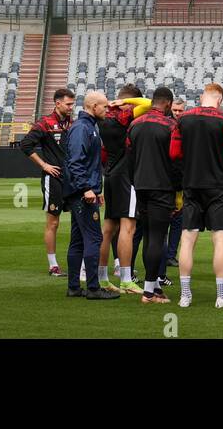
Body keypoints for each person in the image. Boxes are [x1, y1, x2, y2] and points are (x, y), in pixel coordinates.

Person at [173, 82, 223, 308]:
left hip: (191, 184)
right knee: (220, 241)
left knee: (187, 241)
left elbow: (174, 153)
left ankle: (185, 295)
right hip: (217, 185)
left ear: (203, 96)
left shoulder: (183, 119)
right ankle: (221, 296)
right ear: (220, 99)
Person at [125, 87, 182, 304]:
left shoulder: (134, 125)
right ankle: (149, 292)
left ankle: (154, 286)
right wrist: (178, 190)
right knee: (157, 237)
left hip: (141, 186)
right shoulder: (171, 126)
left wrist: (135, 181)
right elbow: (177, 160)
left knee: (149, 235)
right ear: (168, 103)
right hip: (162, 187)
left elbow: (129, 158)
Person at [62, 91, 120, 300]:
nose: (107, 110)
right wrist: (87, 188)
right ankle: (93, 288)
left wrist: (96, 190)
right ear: (93, 106)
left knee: (78, 240)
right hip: (81, 193)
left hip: (83, 191)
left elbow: (89, 164)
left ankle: (74, 286)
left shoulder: (87, 126)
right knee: (94, 238)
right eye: (104, 106)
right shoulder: (82, 128)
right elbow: (76, 162)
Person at [18, 87, 75, 276]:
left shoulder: (71, 122)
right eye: (68, 104)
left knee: (79, 220)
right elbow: (25, 145)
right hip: (54, 179)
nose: (71, 107)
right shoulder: (45, 123)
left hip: (73, 178)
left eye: (72, 104)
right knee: (53, 223)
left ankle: (80, 263)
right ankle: (53, 265)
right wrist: (44, 165)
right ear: (57, 103)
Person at [98, 84, 149, 294]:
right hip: (126, 176)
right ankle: (126, 279)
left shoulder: (104, 117)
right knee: (128, 228)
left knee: (108, 229)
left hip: (109, 174)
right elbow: (149, 103)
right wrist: (126, 104)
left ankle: (101, 278)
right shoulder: (125, 115)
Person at [163, 98, 187, 268]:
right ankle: (165, 254)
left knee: (178, 220)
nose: (177, 113)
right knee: (165, 220)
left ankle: (170, 254)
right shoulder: (166, 126)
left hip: (180, 182)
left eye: (180, 111)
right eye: (175, 110)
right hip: (166, 182)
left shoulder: (186, 127)